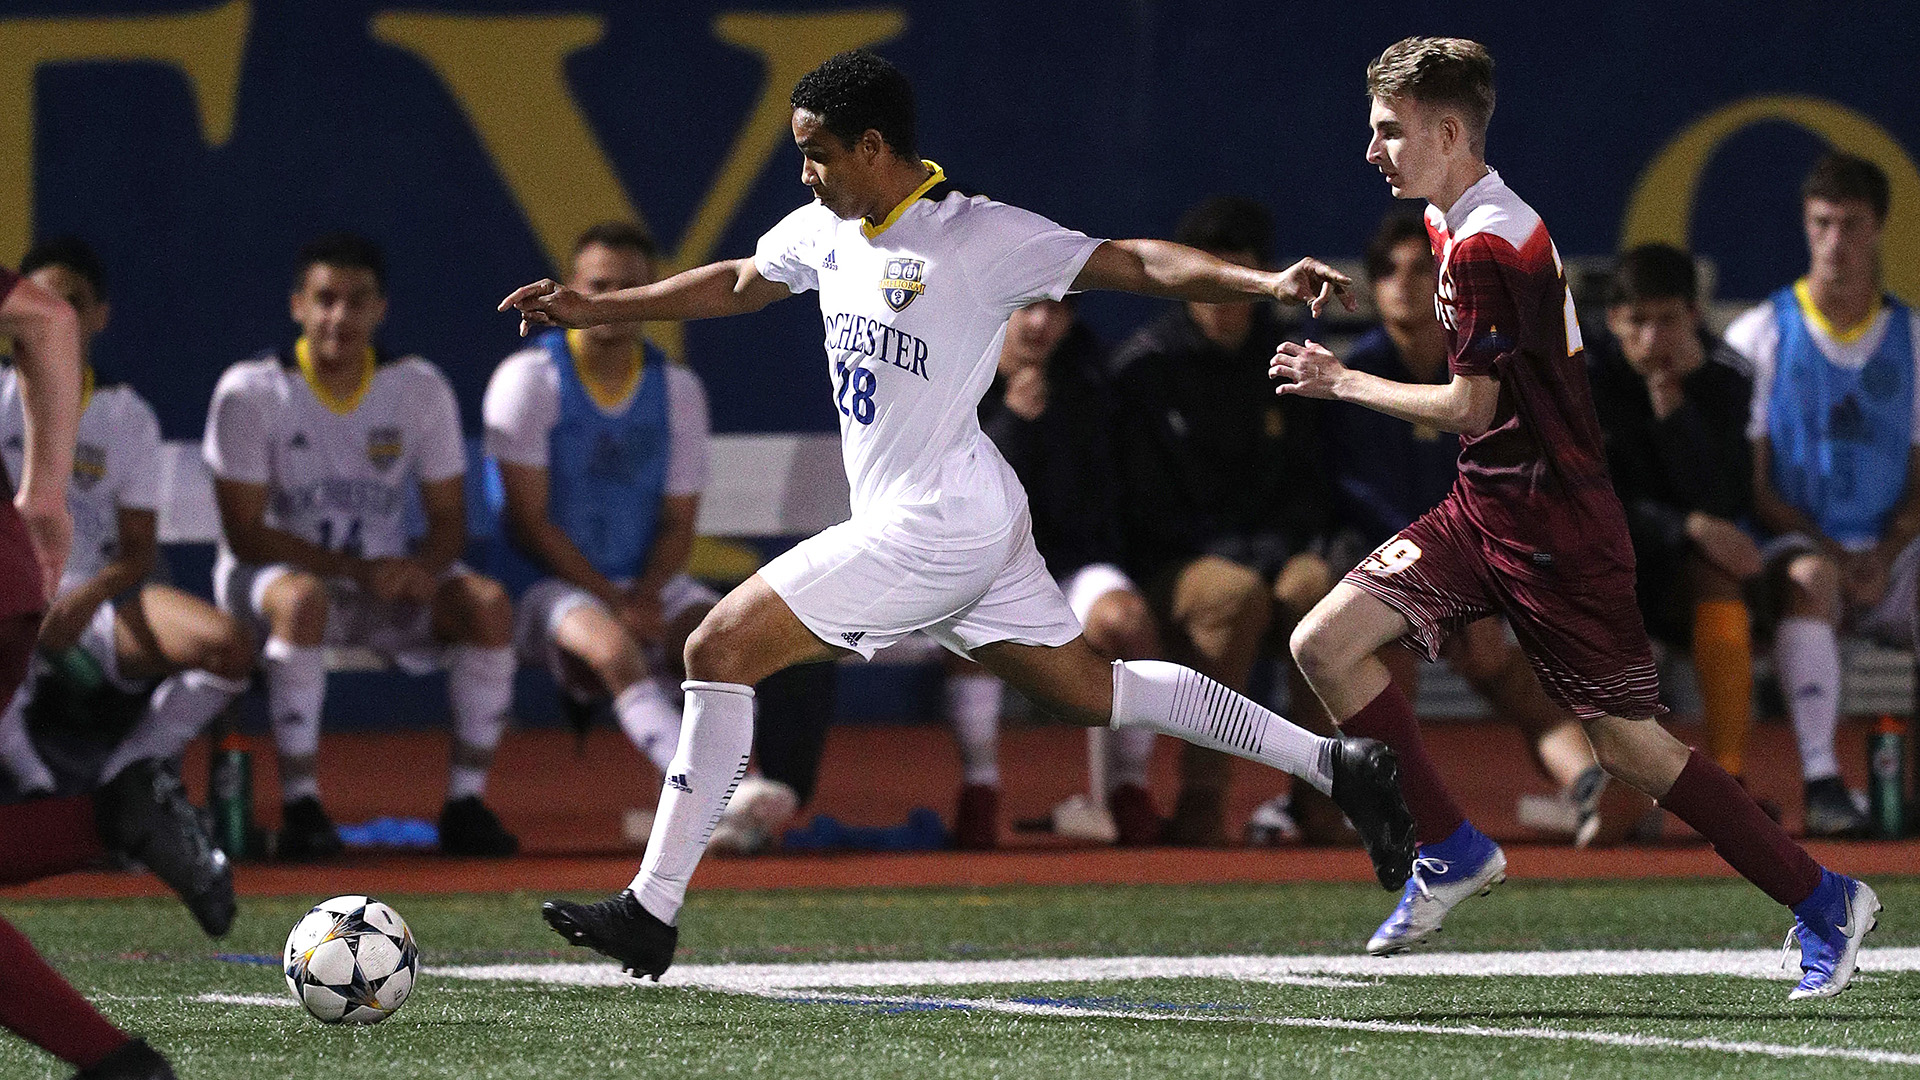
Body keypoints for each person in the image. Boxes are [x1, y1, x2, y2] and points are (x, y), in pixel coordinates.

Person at [511, 48, 1414, 980]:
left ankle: (651, 909)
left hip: (936, 521)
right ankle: (1342, 767)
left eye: (816, 153)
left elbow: (1133, 262)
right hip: (967, 507)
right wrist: (601, 306)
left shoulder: (979, 237)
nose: (805, 173)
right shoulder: (828, 226)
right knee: (1090, 691)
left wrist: (1261, 285)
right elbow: (742, 280)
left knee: (715, 647)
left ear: (872, 146)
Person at [1275, 37, 1876, 999]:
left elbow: (1470, 406)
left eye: (1388, 131)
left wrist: (1342, 379)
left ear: (1446, 131)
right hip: (1488, 503)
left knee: (1632, 749)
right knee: (1326, 642)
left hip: (1554, 526)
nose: (1373, 149)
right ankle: (1449, 847)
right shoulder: (1460, 219)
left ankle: (1826, 899)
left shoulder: (1478, 243)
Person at [1308, 213, 1621, 846]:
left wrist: (1479, 590)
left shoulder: (1478, 370)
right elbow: (1356, 497)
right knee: (1380, 650)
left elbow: (1506, 477)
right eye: (1388, 272)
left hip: (1472, 552)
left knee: (1512, 663)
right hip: (1381, 562)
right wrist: (1441, 590)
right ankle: (1372, 803)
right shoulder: (1352, 372)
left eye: (1421, 268)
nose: (1404, 283)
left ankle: (1591, 787)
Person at [205, 233, 519, 858]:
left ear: (381, 310)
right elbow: (245, 533)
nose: (338, 317)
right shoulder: (251, 391)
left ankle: (465, 802)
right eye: (324, 299)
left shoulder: (418, 387)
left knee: (486, 604)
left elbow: (450, 516)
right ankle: (301, 806)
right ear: (297, 305)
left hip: (380, 579)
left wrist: (422, 570)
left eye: (356, 302)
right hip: (270, 578)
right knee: (302, 603)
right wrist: (356, 569)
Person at [0, 262, 229, 1080]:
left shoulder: (126, 412)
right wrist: (45, 504)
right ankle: (115, 817)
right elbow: (46, 320)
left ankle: (118, 1066)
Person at [1109, 196, 1333, 845]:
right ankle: (1202, 800)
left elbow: (1310, 484)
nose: (1223, 296)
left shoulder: (1290, 360)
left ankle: (1326, 796)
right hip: (1172, 566)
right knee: (1232, 595)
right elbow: (1143, 508)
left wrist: (1280, 548)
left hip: (1272, 554)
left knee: (1323, 592)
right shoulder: (1143, 369)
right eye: (1211, 277)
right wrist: (1240, 555)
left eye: (1238, 279)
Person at [0, 238, 253, 799]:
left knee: (230, 647)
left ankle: (124, 782)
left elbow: (138, 551)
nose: (53, 316)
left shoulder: (125, 414)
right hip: (8, 590)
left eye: (70, 303)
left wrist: (83, 599)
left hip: (87, 599)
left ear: (97, 317)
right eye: (38, 299)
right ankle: (33, 783)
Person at [1726, 152, 1920, 837]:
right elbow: (1751, 483)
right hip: (1800, 546)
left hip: (1892, 552)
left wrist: (1890, 546)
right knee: (1810, 577)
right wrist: (1835, 552)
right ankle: (1823, 779)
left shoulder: (1914, 340)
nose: (1835, 241)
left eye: (1851, 224)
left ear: (1879, 228)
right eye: (1822, 223)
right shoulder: (1760, 334)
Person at [483, 221, 716, 785]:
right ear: (568, 290)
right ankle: (711, 792)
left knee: (726, 640)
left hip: (645, 585)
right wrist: (616, 600)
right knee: (613, 650)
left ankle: (742, 786)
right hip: (545, 589)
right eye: (598, 286)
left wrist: (645, 595)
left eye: (628, 287)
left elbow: (678, 523)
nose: (611, 302)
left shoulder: (678, 389)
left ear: (651, 291)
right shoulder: (530, 380)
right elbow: (530, 525)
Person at [946, 297, 1161, 849]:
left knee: (1128, 621)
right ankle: (980, 790)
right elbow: (958, 500)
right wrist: (1013, 423)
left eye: (1057, 310)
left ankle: (1129, 789)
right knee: (963, 626)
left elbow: (1092, 503)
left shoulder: (1088, 379)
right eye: (1027, 307)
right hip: (980, 572)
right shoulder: (953, 372)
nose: (1041, 323)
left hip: (1068, 569)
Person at [1589, 244, 1771, 817]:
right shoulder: (1588, 378)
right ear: (1614, 319)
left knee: (1718, 576)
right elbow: (1592, 497)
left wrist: (1675, 412)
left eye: (1666, 319)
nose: (1651, 337)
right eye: (1636, 321)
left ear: (1694, 315)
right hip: (1610, 557)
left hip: (1682, 568)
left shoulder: (1725, 378)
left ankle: (1729, 783)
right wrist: (1687, 525)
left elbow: (1725, 498)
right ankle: (1617, 781)